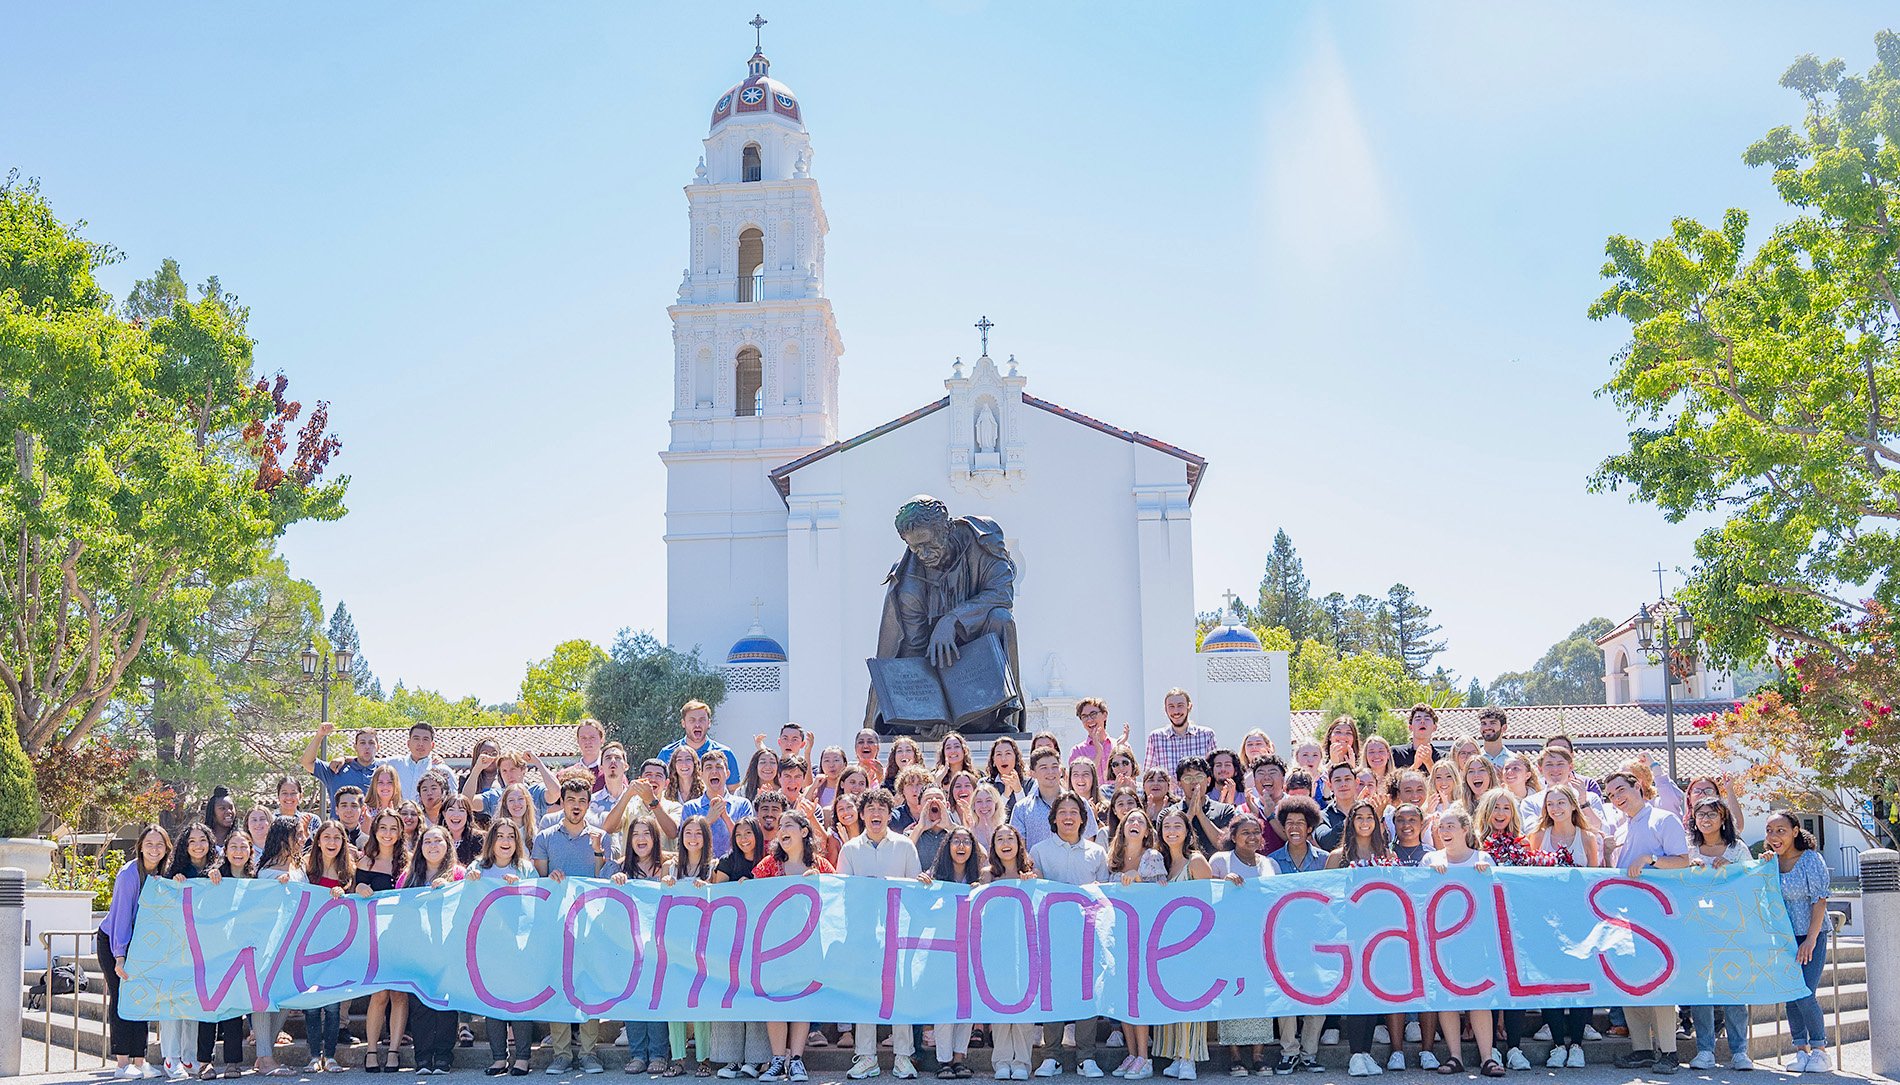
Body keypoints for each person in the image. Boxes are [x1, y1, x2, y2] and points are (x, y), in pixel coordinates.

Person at [1603, 770, 1690, 1074]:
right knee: (1630, 983)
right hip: (1625, 917)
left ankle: (1668, 1051)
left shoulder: (1663, 819)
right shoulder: (1621, 829)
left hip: (1659, 919)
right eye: (1611, 795)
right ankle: (1641, 1048)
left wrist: (1651, 860)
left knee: (1660, 984)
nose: (1616, 798)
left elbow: (1683, 860)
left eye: (1620, 790)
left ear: (1636, 786)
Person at [839, 789, 924, 1081]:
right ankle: (866, 1057)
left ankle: (903, 1057)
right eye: (870, 808)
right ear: (862, 814)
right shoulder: (850, 849)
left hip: (897, 932)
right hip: (862, 933)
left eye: (882, 809)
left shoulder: (904, 846)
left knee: (898, 993)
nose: (876, 814)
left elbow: (915, 890)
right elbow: (843, 892)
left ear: (889, 814)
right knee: (866, 995)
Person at [534, 778, 616, 1075]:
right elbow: (539, 885)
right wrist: (550, 878)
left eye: (582, 801)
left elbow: (602, 880)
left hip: (591, 924)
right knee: (558, 986)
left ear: (589, 803)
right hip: (555, 923)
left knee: (588, 986)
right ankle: (561, 1053)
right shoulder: (544, 837)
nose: (577, 806)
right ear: (563, 802)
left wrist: (597, 852)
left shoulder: (601, 837)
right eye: (571, 800)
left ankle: (589, 1052)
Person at [1027, 794, 1109, 1080]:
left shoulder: (1096, 853)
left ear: (1083, 818)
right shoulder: (1039, 851)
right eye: (1063, 812)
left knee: (1087, 992)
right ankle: (1052, 1055)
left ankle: (1087, 1056)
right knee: (1053, 993)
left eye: (1075, 811)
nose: (1068, 817)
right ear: (1054, 818)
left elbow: (1107, 894)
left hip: (1088, 934)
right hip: (1051, 934)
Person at [752, 811, 833, 1083]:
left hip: (808, 945)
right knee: (774, 1000)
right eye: (780, 825)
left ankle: (796, 1060)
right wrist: (743, 886)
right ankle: (777, 1060)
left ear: (804, 832)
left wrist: (821, 883)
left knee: (802, 1000)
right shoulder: (767, 866)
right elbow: (753, 898)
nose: (781, 828)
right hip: (773, 947)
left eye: (789, 824)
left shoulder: (821, 866)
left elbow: (837, 896)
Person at [1421, 809, 1498, 1076]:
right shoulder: (1430, 859)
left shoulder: (1483, 858)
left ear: (1465, 829)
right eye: (1441, 827)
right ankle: (1455, 1056)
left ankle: (1487, 1057)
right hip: (1441, 940)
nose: (1445, 832)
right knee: (1448, 997)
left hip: (1475, 939)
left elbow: (1495, 897)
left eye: (1451, 826)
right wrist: (1430, 874)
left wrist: (1486, 875)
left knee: (1478, 997)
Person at [609, 815, 684, 1077]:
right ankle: (638, 1054)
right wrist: (616, 881)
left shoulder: (668, 868)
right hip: (630, 945)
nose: (641, 839)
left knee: (657, 998)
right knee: (634, 998)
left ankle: (659, 1054)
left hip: (660, 944)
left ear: (655, 838)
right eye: (636, 834)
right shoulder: (620, 869)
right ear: (629, 840)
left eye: (646, 834)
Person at [1682, 800, 1752, 1071]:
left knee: (1734, 990)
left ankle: (1739, 1051)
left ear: (1723, 818)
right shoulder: (1687, 849)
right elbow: (1677, 883)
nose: (1706, 819)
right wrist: (1688, 870)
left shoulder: (1738, 849)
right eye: (1701, 814)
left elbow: (1751, 880)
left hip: (1732, 928)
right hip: (1696, 928)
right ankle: (1704, 1050)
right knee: (1702, 991)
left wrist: (1732, 869)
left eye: (1712, 814)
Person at [1207, 813, 1275, 1077]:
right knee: (1232, 995)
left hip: (1259, 940)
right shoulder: (1220, 860)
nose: (1252, 837)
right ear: (1233, 837)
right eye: (1245, 832)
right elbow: (1206, 896)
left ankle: (1258, 1055)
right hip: (1228, 940)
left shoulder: (1268, 864)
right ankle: (1235, 1055)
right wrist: (1224, 884)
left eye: (1256, 832)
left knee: (1259, 996)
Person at [468, 818, 538, 1076]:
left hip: (518, 944)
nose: (506, 841)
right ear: (492, 841)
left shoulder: (525, 868)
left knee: (519, 1000)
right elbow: (465, 895)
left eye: (511, 836)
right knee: (493, 1002)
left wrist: (521, 887)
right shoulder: (479, 867)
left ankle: (522, 1057)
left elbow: (538, 901)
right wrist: (471, 880)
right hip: (487, 945)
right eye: (501, 836)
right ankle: (498, 1057)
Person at [100, 826, 169, 1080]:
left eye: (159, 844)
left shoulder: (164, 873)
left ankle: (140, 1061)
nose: (154, 849)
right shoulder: (129, 874)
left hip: (143, 946)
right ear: (140, 846)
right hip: (115, 942)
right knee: (122, 998)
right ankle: (121, 1064)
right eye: (149, 843)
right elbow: (121, 917)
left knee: (143, 1000)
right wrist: (120, 955)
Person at [1765, 810, 1831, 1074]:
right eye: (1769, 831)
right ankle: (1801, 1050)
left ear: (1794, 831)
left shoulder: (1810, 860)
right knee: (1791, 996)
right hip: (1784, 938)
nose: (1774, 836)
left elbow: (1820, 901)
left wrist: (1811, 940)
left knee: (1805, 992)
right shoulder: (1770, 863)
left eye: (1780, 830)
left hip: (1811, 935)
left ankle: (1820, 1051)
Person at [917, 827, 984, 1080]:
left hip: (970, 951)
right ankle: (943, 1061)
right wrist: (923, 888)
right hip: (942, 951)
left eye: (967, 841)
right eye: (956, 840)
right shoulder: (934, 878)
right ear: (947, 846)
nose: (961, 846)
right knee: (944, 1007)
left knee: (966, 1008)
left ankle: (959, 1059)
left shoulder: (981, 878)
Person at [1151, 810, 1212, 1080]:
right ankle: (1176, 1054)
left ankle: (1189, 1058)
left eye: (1178, 825)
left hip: (1194, 943)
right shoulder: (1159, 863)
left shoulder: (1196, 861)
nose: (1172, 830)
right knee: (1171, 1000)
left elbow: (1210, 901)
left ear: (1188, 830)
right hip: (1166, 945)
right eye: (1167, 826)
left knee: (1189, 1000)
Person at [401, 826, 466, 1074]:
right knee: (419, 1006)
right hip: (418, 950)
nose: (433, 845)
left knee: (445, 1005)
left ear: (448, 844)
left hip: (449, 949)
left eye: (438, 840)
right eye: (427, 841)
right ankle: (423, 1058)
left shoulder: (459, 874)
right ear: (420, 847)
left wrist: (449, 889)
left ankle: (443, 1056)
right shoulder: (408, 877)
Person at [1106, 810, 1165, 1080]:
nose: (1134, 824)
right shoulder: (1114, 859)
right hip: (1118, 936)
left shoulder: (1152, 857)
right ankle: (1132, 1054)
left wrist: (1139, 879)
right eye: (1130, 820)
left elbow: (1161, 893)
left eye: (1140, 821)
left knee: (1137, 998)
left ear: (1146, 831)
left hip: (1144, 936)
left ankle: (1145, 1057)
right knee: (1123, 997)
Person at [154, 827, 216, 1081]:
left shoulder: (217, 870)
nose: (198, 845)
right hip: (177, 945)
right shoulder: (174, 872)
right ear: (185, 845)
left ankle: (189, 1057)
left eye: (203, 840)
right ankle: (171, 1057)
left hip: (205, 947)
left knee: (194, 1002)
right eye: (192, 841)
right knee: (173, 1002)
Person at [355, 810, 409, 1074]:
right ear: (375, 831)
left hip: (401, 937)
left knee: (399, 994)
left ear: (400, 833)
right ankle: (372, 1050)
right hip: (374, 937)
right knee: (379, 995)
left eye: (393, 829)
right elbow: (352, 890)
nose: (388, 833)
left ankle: (394, 1051)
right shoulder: (365, 862)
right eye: (383, 828)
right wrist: (358, 889)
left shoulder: (408, 863)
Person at [303, 820, 358, 1074]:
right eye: (327, 837)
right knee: (312, 1005)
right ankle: (315, 1056)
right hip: (308, 945)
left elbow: (358, 903)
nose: (332, 842)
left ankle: (332, 1057)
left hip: (338, 945)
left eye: (337, 838)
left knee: (334, 1006)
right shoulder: (306, 868)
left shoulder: (350, 871)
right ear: (318, 841)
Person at [984, 827, 1037, 1081]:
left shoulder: (1031, 873)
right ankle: (1002, 1060)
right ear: (993, 846)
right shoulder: (988, 875)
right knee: (1001, 1007)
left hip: (1026, 949)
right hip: (997, 949)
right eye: (1000, 839)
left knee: (1024, 1009)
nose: (1005, 843)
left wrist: (1033, 885)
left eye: (1010, 839)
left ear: (1019, 843)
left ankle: (1022, 1062)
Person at [1011, 747, 1094, 852]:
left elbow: (1089, 843)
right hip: (1037, 867)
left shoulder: (1080, 804)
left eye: (1054, 766)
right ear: (1033, 773)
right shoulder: (1021, 809)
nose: (1050, 772)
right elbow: (1019, 848)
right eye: (1043, 767)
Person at [681, 755, 755, 859]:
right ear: (701, 774)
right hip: (700, 868)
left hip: (734, 867)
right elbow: (685, 844)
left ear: (727, 773)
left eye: (719, 767)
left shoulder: (742, 805)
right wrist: (707, 821)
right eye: (708, 767)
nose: (714, 771)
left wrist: (725, 816)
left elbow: (747, 841)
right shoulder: (690, 807)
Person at [302, 721, 382, 815]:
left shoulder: (384, 774)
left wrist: (346, 758)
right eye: (362, 743)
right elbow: (307, 762)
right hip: (339, 828)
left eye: (371, 743)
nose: (367, 747)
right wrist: (319, 735)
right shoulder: (337, 769)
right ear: (355, 747)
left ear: (378, 747)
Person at [659, 700, 741, 786]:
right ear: (683, 723)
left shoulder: (725, 753)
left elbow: (733, 790)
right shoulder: (667, 754)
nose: (697, 724)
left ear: (709, 723)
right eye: (692, 720)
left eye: (702, 720)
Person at [1165, 756, 1234, 857]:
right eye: (1188, 778)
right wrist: (1190, 814)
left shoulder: (1225, 810)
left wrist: (1200, 814)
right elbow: (1168, 845)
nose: (1194, 782)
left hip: (1216, 870)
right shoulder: (1168, 813)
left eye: (1199, 777)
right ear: (1179, 784)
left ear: (1208, 780)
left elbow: (1225, 845)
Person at [1141, 688, 1215, 776]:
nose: (1176, 711)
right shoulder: (1156, 737)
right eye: (1171, 706)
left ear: (1189, 706)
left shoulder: (1206, 735)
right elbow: (1148, 775)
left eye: (1180, 705)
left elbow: (1213, 773)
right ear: (1165, 709)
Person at [379, 721, 445, 800]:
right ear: (408, 743)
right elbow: (369, 763)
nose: (420, 743)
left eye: (425, 739)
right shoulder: (394, 764)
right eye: (416, 738)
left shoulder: (440, 770)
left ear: (432, 745)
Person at [1070, 699, 1128, 776]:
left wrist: (1118, 749)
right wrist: (1099, 753)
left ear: (1105, 715)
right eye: (1084, 716)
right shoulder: (1078, 751)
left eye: (1093, 714)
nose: (1089, 720)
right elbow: (1078, 779)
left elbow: (1130, 776)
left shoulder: (1122, 745)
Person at [573, 717, 610, 791]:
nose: (588, 742)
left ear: (602, 740)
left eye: (592, 737)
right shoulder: (567, 775)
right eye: (583, 738)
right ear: (578, 741)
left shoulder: (613, 773)